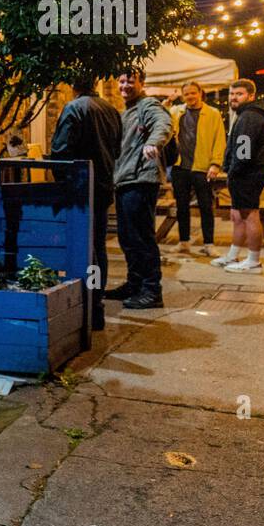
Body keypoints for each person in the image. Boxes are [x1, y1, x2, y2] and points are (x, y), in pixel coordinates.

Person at [50, 74, 122, 329]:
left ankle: (86, 308)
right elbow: (117, 150)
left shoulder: (74, 108)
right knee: (98, 248)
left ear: (73, 86)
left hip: (80, 189)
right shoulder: (111, 109)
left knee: (82, 249)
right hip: (103, 186)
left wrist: (62, 182)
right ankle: (97, 304)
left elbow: (60, 152)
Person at [109, 66, 173, 309]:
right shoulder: (127, 111)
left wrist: (153, 143)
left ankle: (151, 290)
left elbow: (164, 123)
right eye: (122, 81)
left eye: (131, 81)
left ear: (142, 83)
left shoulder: (148, 105)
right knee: (127, 238)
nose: (125, 86)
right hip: (126, 179)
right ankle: (134, 284)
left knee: (142, 238)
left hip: (141, 179)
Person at [212, 79, 264, 273]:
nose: (233, 97)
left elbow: (244, 152)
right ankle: (232, 256)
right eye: (231, 94)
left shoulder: (250, 117)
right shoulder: (247, 115)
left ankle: (253, 262)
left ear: (251, 96)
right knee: (237, 216)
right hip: (244, 173)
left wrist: (232, 170)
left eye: (239, 94)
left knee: (250, 215)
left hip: (248, 174)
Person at [169, 81, 226, 257]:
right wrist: (165, 104)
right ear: (182, 95)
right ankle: (183, 242)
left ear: (201, 93)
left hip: (203, 167)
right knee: (181, 206)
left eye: (193, 93)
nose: (190, 97)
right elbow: (162, 124)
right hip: (180, 166)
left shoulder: (213, 113)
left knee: (206, 206)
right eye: (186, 94)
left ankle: (209, 243)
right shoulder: (175, 112)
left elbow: (220, 139)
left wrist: (216, 163)